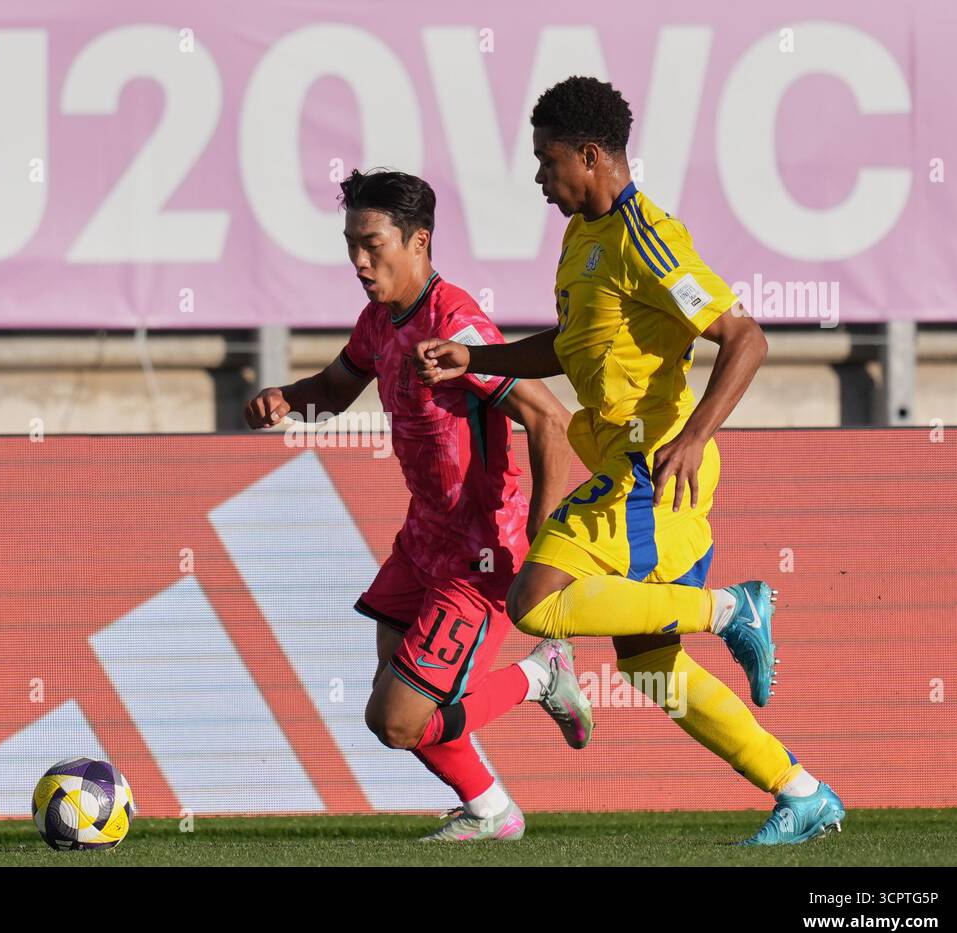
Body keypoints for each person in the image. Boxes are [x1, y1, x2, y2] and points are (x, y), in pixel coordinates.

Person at [415, 77, 845, 845]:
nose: (540, 180)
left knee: (536, 600)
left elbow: (746, 338)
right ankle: (802, 792)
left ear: (589, 155)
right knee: (649, 664)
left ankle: (732, 608)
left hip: (654, 473)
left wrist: (698, 433)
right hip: (637, 469)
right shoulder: (584, 236)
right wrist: (476, 356)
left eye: (548, 163)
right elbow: (571, 344)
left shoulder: (649, 238)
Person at [245, 168, 590, 841]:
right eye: (351, 245)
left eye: (372, 245)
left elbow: (549, 421)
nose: (358, 262)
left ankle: (538, 676)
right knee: (389, 706)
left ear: (419, 241)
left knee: (400, 719)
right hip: (422, 541)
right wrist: (288, 398)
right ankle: (490, 811)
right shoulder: (380, 322)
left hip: (479, 553)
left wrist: (543, 545)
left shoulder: (455, 326)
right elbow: (336, 389)